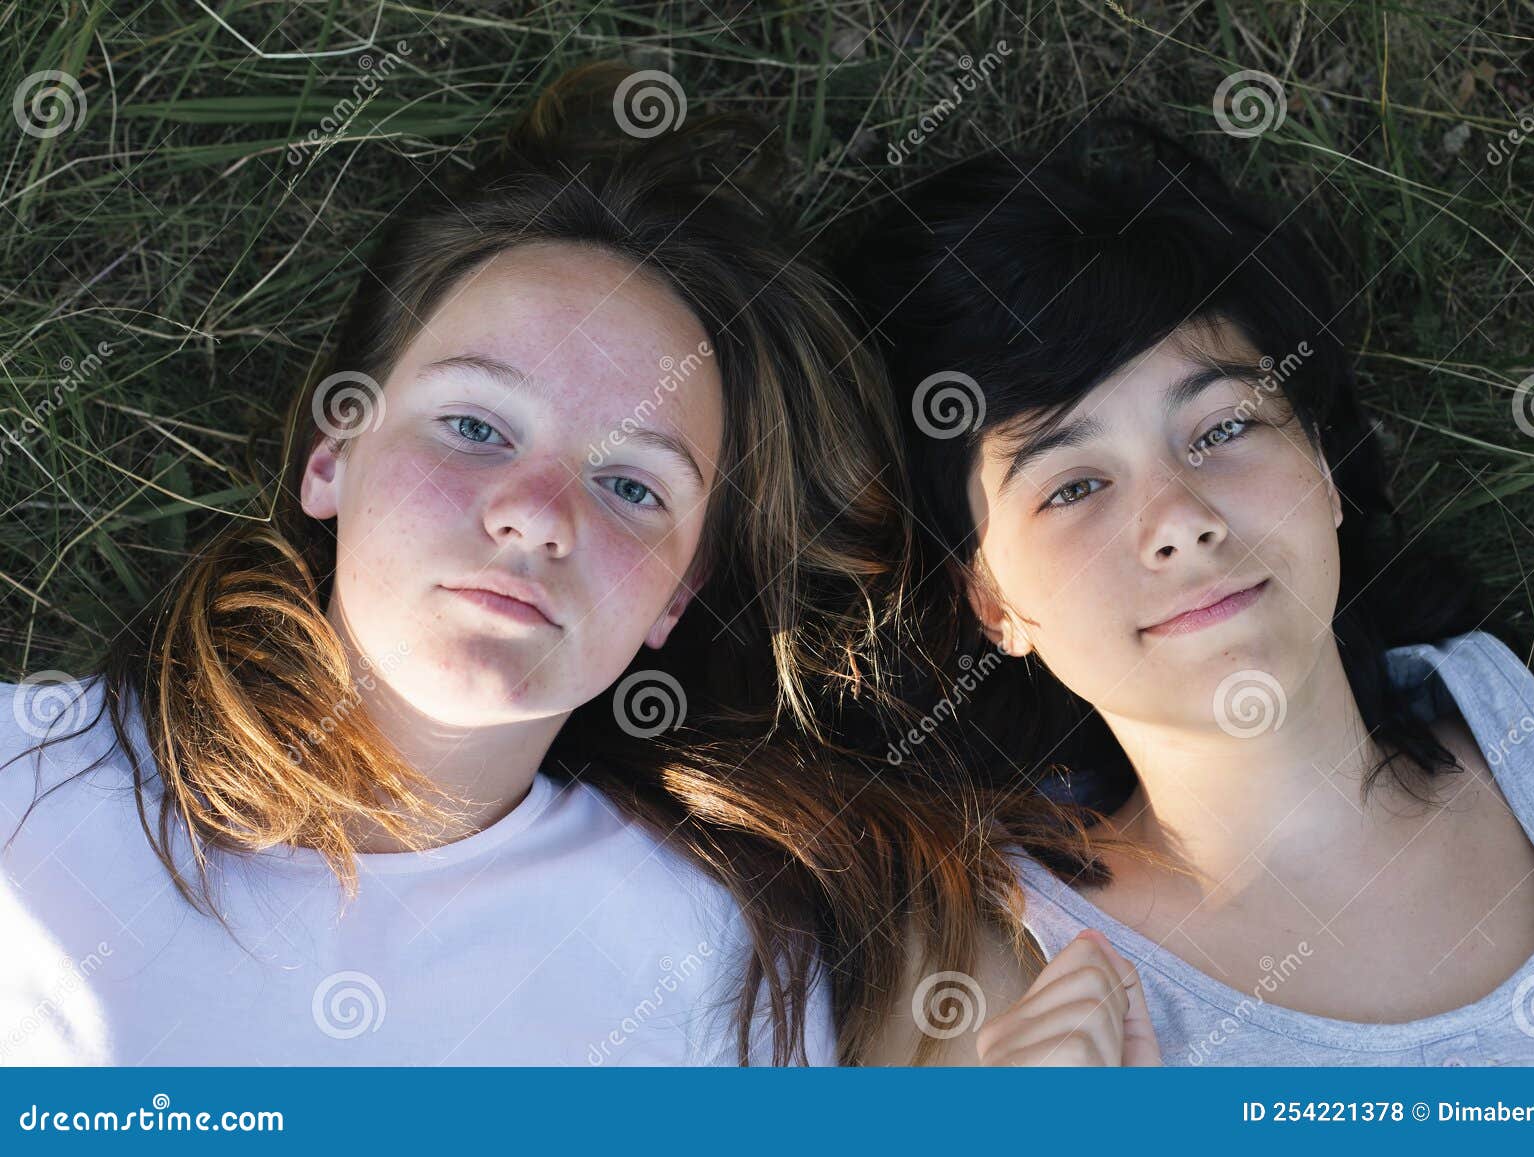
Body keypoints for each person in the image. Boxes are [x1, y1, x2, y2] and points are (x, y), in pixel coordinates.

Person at [0, 61, 914, 1066]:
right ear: (332, 455)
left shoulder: (724, 968)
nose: (535, 515)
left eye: (632, 486)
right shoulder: (25, 784)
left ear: (678, 591)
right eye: (475, 424)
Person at [845, 130, 1534, 1066]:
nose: (1179, 519)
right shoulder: (993, 980)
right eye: (1074, 485)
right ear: (992, 602)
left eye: (1224, 426)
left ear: (1323, 470)